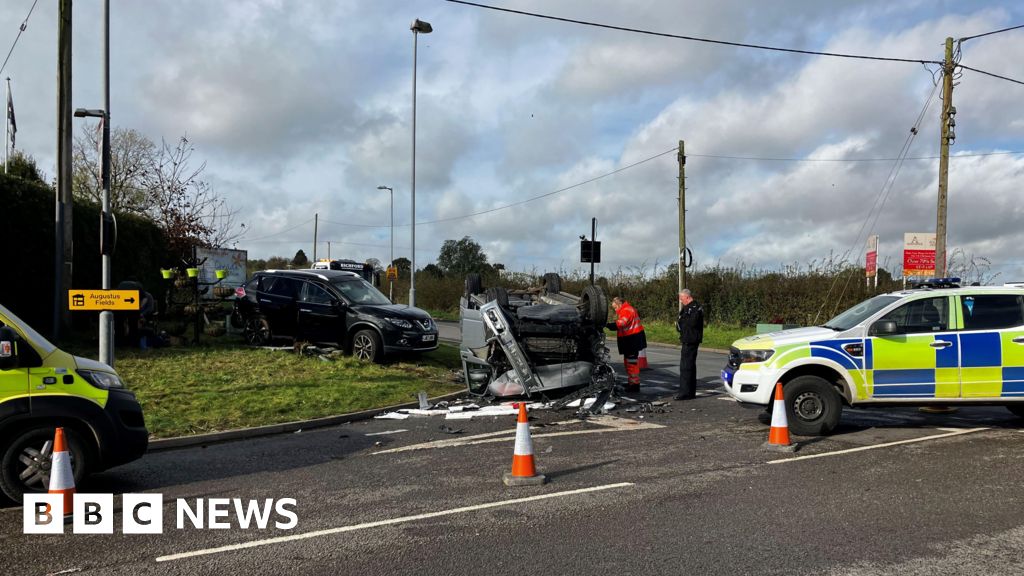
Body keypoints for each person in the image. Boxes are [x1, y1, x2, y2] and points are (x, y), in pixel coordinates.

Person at [606, 296, 647, 393]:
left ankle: (634, 385)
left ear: (619, 304)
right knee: (629, 362)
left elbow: (621, 324)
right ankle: (632, 382)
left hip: (632, 339)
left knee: (631, 363)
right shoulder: (627, 309)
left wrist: (607, 325)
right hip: (632, 339)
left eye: (615, 308)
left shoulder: (626, 310)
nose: (615, 310)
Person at [676, 289, 704, 400]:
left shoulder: (695, 308)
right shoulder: (687, 308)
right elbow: (680, 322)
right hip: (687, 338)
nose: (680, 301)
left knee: (686, 367)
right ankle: (689, 392)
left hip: (691, 340)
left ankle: (685, 393)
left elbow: (691, 323)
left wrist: (681, 322)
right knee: (689, 366)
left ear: (687, 297)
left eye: (681, 298)